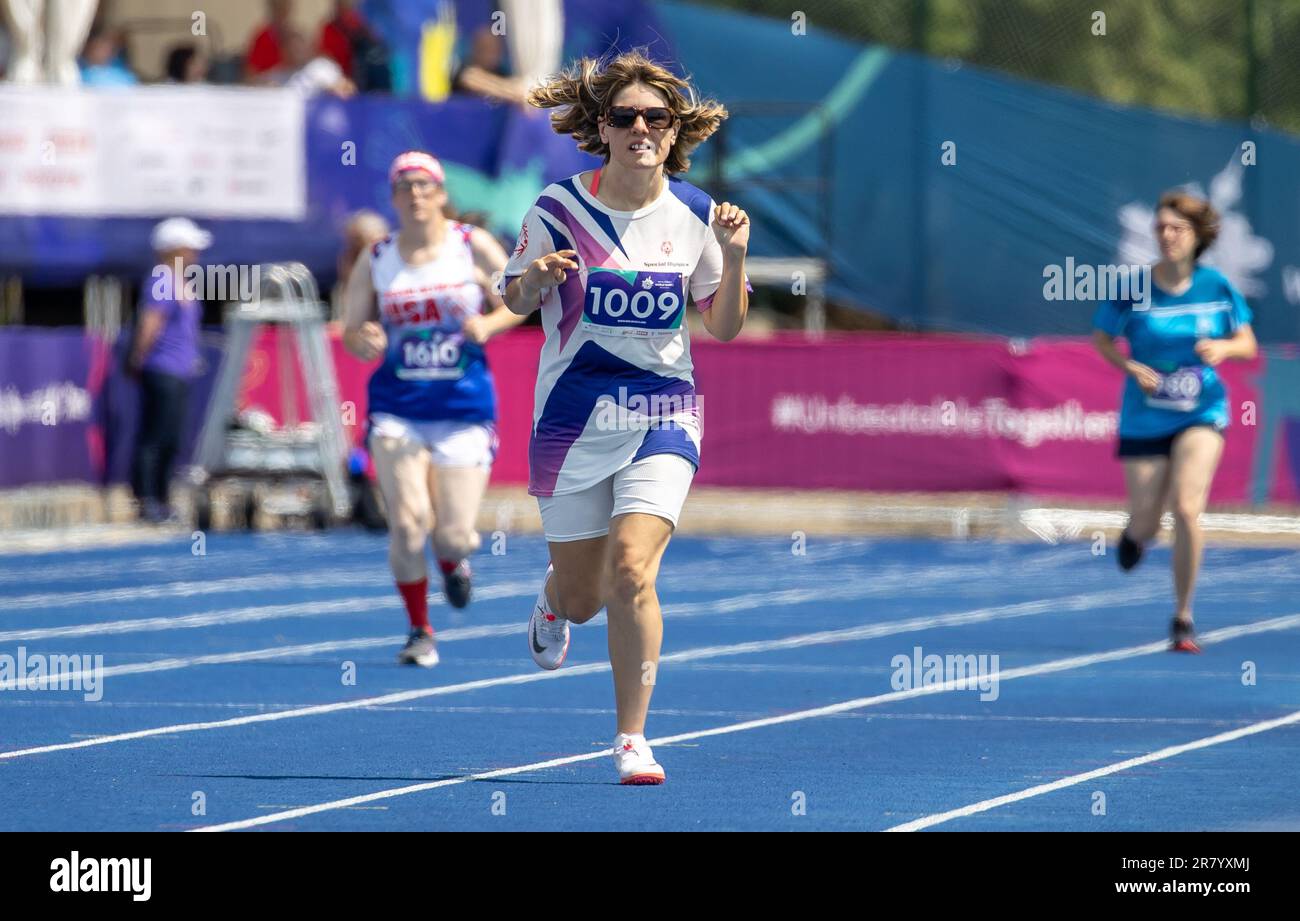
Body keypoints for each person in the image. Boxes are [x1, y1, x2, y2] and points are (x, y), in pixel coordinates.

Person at [500, 49, 750, 784]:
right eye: (625, 116)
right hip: (573, 421)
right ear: (602, 129)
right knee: (584, 599)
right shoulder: (557, 209)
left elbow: (725, 325)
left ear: (674, 133)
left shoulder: (698, 215)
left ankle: (632, 737)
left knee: (634, 570)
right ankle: (552, 593)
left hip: (662, 412)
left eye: (655, 117)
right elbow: (512, 299)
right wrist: (535, 280)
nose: (641, 127)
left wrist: (733, 260)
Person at [341, 151, 525, 667]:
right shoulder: (377, 257)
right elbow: (352, 328)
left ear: (442, 194)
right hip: (398, 408)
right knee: (407, 523)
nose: (416, 195)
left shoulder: (471, 245)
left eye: (425, 186)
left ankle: (452, 562)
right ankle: (419, 630)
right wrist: (366, 337)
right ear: (394, 198)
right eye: (405, 187)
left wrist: (488, 325)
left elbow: (522, 296)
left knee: (453, 533)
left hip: (462, 408)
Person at [1092, 191, 1257, 654]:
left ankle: (1183, 617)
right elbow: (1102, 338)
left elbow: (1248, 343)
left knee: (1187, 507)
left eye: (1176, 228)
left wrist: (1223, 349)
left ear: (1196, 236)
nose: (1167, 236)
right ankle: (1134, 535)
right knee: (1148, 520)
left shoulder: (1217, 287)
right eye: (1161, 228)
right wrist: (1128, 367)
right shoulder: (1134, 288)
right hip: (1145, 416)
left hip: (1202, 412)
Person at [129, 218, 210, 524]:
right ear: (175, 249)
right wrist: (139, 358)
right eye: (190, 247)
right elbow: (151, 322)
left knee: (172, 437)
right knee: (156, 435)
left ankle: (162, 497)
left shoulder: (180, 281)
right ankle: (147, 500)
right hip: (162, 369)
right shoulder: (163, 279)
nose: (196, 254)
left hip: (179, 371)